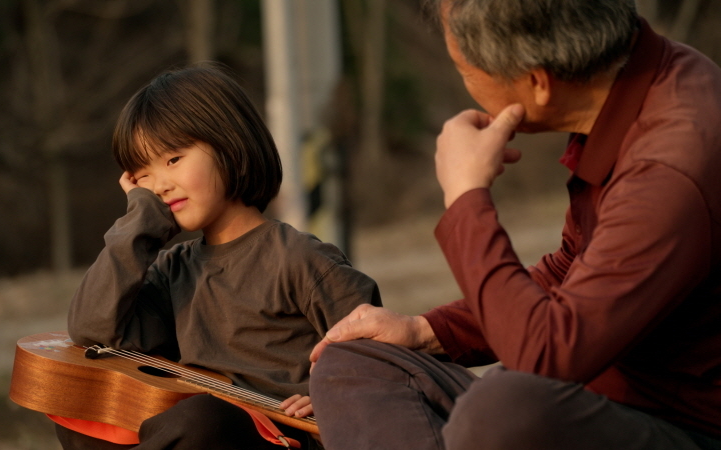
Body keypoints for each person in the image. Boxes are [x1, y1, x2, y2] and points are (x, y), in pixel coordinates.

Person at [308, 1, 721, 449]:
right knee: (354, 362)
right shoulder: (627, 83)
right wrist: (423, 331)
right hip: (584, 395)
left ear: (538, 82)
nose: (467, 88)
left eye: (465, 71)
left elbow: (546, 356)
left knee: (502, 409)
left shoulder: (667, 167)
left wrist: (465, 195)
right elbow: (570, 273)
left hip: (677, 425)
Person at [54, 64, 381, 450]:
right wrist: (138, 222)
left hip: (284, 438)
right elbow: (91, 329)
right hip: (198, 431)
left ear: (229, 145)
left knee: (202, 418)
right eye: (142, 177)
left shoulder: (301, 260)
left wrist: (334, 400)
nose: (160, 186)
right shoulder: (171, 272)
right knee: (77, 409)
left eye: (173, 159)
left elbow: (383, 362)